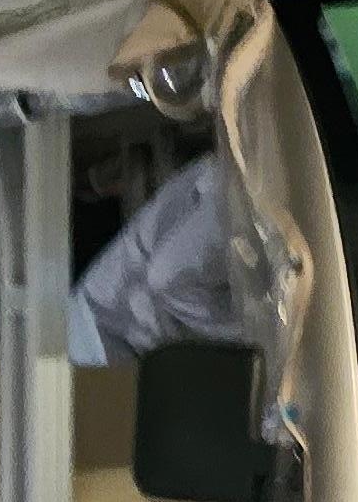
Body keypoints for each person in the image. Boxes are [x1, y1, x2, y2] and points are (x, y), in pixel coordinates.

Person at [66, 147, 252, 364]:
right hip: (215, 196)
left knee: (170, 283)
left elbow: (168, 281)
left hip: (227, 203)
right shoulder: (86, 322)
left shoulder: (88, 340)